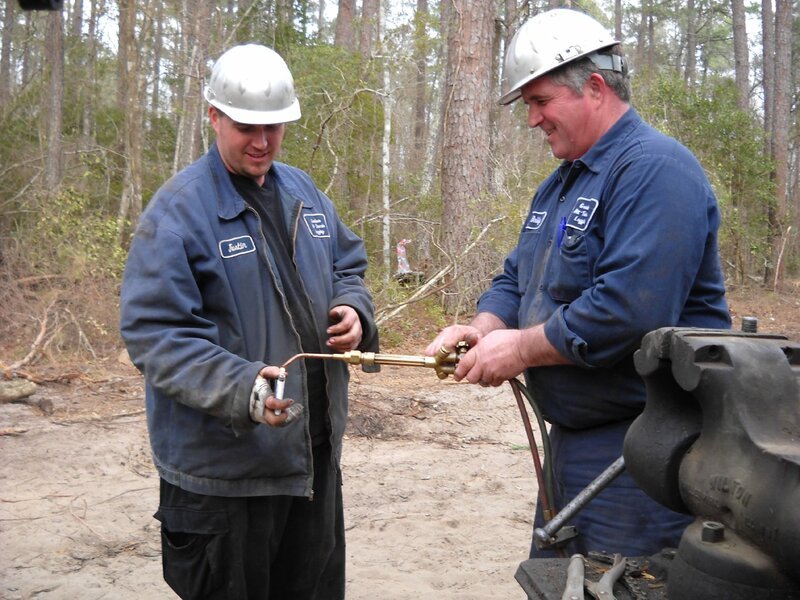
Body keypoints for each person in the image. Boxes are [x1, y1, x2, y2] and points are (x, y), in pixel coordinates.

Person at [426, 8, 730, 559]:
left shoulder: (657, 171)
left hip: (642, 452)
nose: (532, 120)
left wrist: (517, 348)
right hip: (569, 447)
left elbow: (628, 311)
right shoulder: (559, 187)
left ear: (593, 87)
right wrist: (481, 328)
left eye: (541, 102)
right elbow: (516, 277)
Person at [120, 43, 379, 599]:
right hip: (226, 480)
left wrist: (354, 308)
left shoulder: (305, 194)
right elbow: (154, 334)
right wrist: (243, 388)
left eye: (275, 127)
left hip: (310, 460)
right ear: (214, 116)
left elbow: (348, 263)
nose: (262, 142)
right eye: (246, 127)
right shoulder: (177, 213)